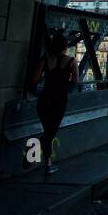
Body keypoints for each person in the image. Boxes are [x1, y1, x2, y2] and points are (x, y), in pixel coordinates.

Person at [29, 31, 79, 173]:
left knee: (47, 131)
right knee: (50, 133)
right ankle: (41, 159)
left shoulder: (45, 59)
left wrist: (36, 92)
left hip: (45, 98)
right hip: (59, 100)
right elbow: (75, 82)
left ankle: (48, 164)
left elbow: (34, 80)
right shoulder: (71, 61)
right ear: (65, 47)